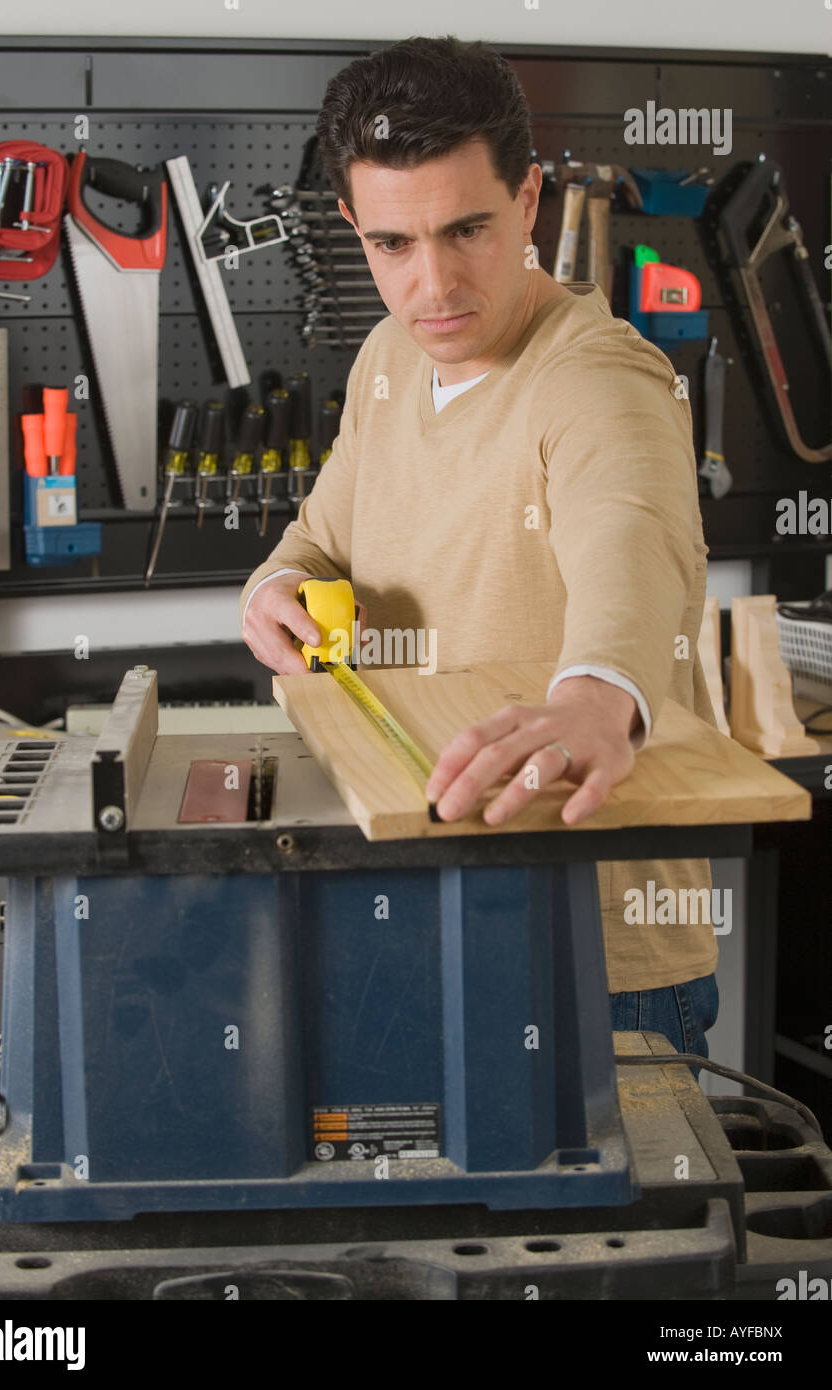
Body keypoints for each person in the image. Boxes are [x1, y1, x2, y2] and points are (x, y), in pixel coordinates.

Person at [240, 35, 719, 1062]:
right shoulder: (389, 355)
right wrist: (278, 585)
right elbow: (321, 533)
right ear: (352, 231)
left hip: (590, 957)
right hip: (416, 907)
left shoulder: (597, 380)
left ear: (530, 199)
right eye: (393, 246)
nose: (435, 286)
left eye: (468, 230)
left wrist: (595, 698)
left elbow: (627, 537)